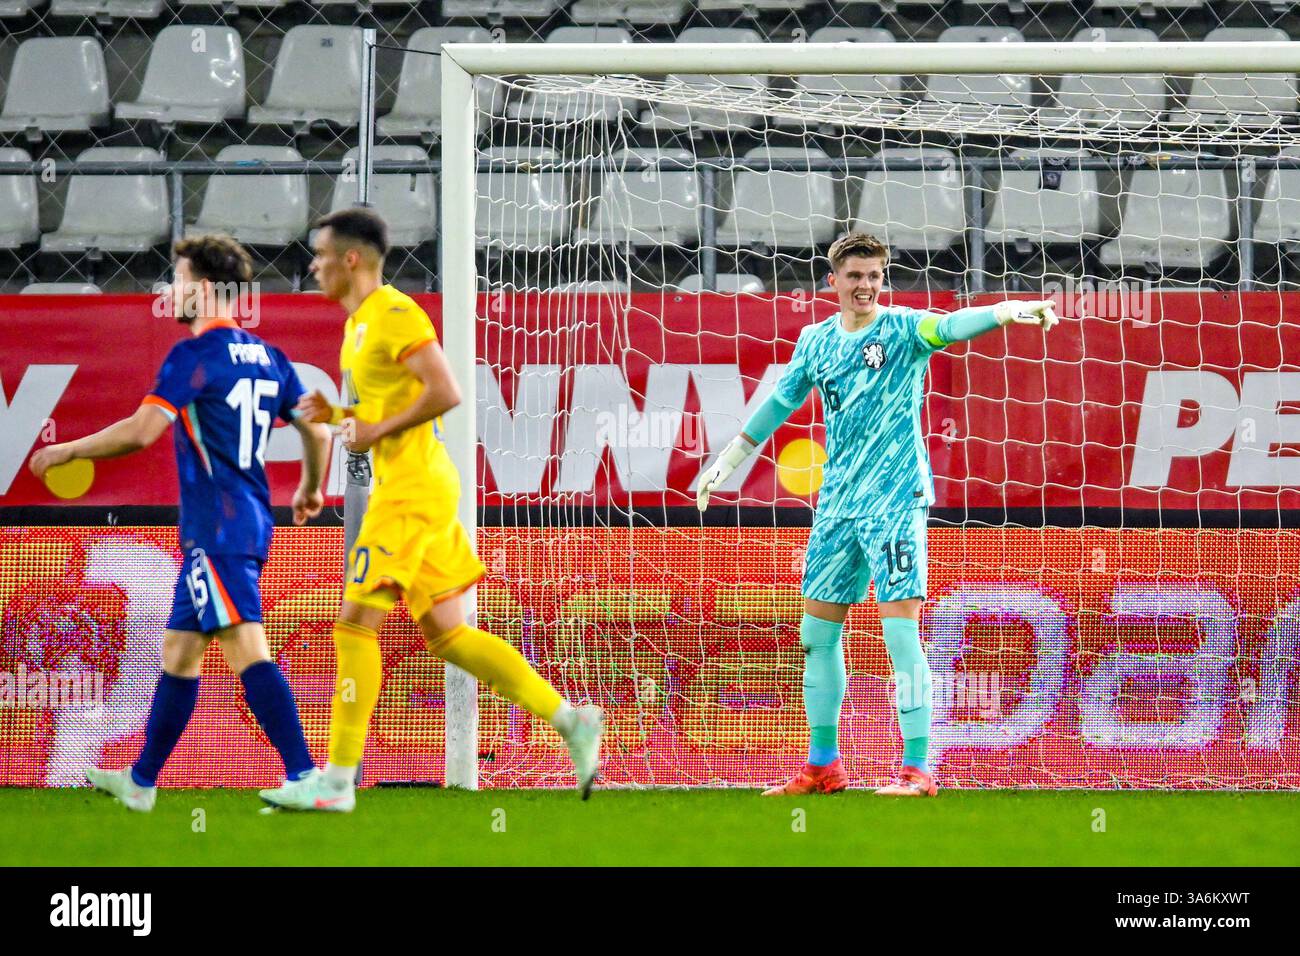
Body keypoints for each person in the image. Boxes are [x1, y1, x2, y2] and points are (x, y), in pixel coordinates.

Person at [259, 208, 603, 812]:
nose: (310, 267)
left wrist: (371, 430)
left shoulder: (394, 313)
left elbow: (445, 391)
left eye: (319, 255)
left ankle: (337, 781)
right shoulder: (359, 324)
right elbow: (378, 417)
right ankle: (570, 719)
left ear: (351, 259)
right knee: (448, 636)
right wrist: (339, 417)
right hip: (420, 485)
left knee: (353, 624)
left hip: (410, 491)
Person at [697, 233, 1059, 797]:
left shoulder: (902, 329)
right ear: (833, 280)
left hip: (895, 499)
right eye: (855, 276)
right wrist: (731, 458)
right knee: (816, 635)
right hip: (838, 501)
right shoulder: (816, 341)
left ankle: (917, 769)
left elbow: (951, 326)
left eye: (874, 276)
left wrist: (1005, 312)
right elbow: (780, 401)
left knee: (899, 634)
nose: (865, 286)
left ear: (883, 279)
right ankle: (823, 765)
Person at [29, 234, 332, 811]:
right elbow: (317, 429)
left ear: (206, 288)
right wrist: (312, 488)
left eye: (180, 278)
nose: (171, 290)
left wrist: (67, 451)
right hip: (244, 521)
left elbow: (141, 432)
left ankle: (304, 774)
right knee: (179, 650)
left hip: (217, 528)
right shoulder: (270, 357)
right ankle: (143, 781)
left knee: (246, 645)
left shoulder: (194, 358)